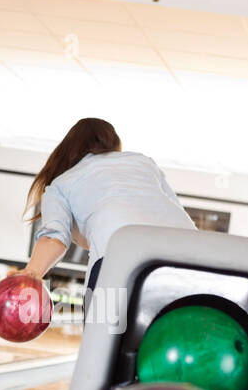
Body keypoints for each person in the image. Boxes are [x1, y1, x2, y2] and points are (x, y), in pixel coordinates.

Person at [19, 118, 196, 301]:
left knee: (102, 327)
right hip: (189, 254)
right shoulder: (143, 162)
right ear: (114, 143)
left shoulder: (60, 184)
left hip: (120, 256)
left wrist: (32, 272)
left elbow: (53, 237)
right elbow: (175, 209)